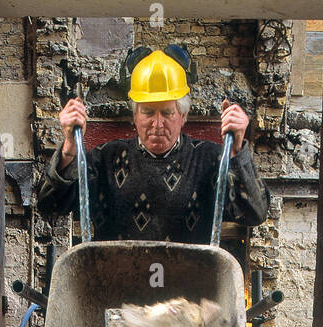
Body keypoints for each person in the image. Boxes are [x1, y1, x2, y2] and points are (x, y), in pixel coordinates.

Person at [35, 48, 270, 243]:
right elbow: (49, 204)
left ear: (183, 115)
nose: (157, 123)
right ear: (135, 117)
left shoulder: (210, 159)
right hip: (115, 289)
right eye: (148, 112)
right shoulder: (105, 159)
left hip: (190, 292)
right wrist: (69, 146)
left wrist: (237, 148)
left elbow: (255, 213)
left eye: (167, 113)